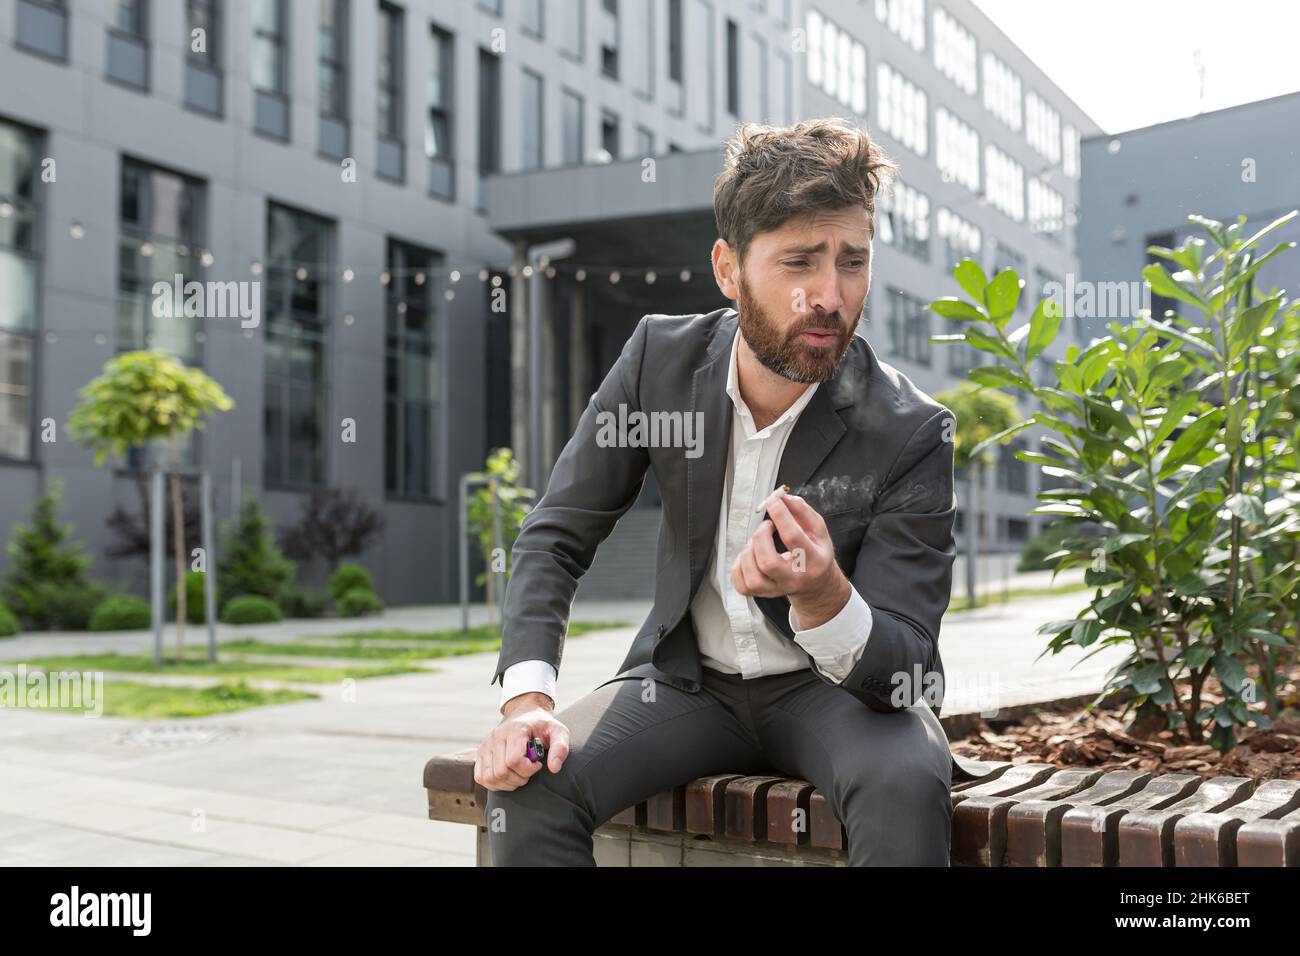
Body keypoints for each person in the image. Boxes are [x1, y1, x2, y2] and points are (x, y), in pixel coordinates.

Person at [475, 117, 986, 866]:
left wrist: (823, 599)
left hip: (839, 697)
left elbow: (911, 662)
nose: (829, 294)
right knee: (527, 782)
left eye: (852, 262)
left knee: (906, 780)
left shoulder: (910, 429)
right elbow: (556, 534)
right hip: (686, 686)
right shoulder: (659, 361)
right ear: (728, 268)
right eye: (798, 263)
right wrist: (528, 703)